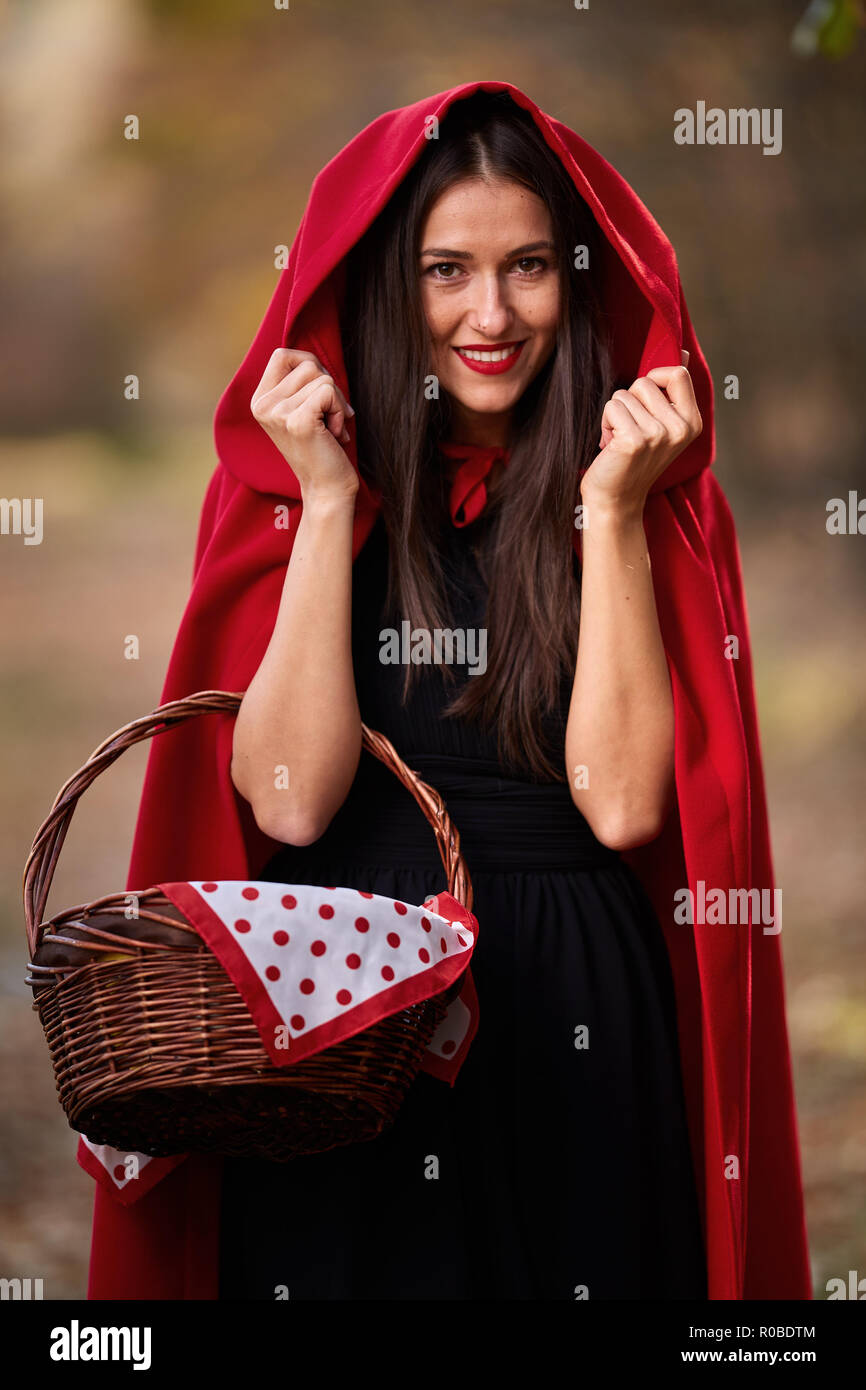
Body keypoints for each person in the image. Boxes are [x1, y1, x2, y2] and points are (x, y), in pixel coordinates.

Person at [82, 81, 811, 1302]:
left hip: (574, 1009)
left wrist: (611, 513)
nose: (489, 313)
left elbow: (627, 805)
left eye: (528, 265)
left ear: (575, 281)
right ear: (386, 284)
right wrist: (322, 504)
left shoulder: (648, 498)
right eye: (444, 271)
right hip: (341, 1015)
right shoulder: (298, 486)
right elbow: (290, 802)